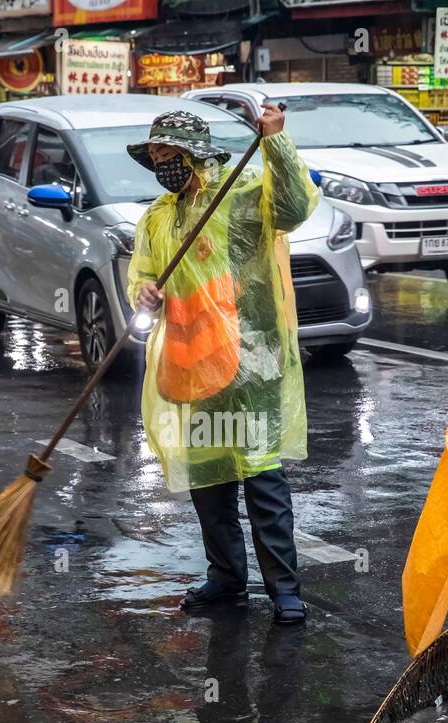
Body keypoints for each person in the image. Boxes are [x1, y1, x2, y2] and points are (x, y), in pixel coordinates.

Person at [126, 107, 319, 626]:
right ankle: (227, 577)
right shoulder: (159, 218)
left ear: (193, 154)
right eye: (156, 155)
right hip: (193, 366)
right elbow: (141, 278)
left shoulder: (238, 196)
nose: (161, 163)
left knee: (261, 478)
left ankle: (284, 590)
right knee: (209, 479)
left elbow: (294, 206)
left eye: (169, 154)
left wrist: (277, 142)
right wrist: (144, 292)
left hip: (252, 362)